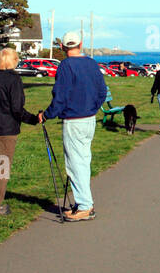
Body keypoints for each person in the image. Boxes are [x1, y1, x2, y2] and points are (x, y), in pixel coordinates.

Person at [38, 31, 108, 222]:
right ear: (80, 44)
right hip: (89, 119)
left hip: (74, 120)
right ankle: (85, 202)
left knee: (76, 163)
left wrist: (47, 115)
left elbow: (60, 96)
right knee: (83, 161)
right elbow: (102, 91)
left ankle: (85, 206)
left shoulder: (65, 66)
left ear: (62, 47)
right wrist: (92, 107)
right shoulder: (91, 63)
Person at [0, 46, 39, 218]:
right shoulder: (14, 80)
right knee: (2, 169)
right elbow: (16, 108)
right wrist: (33, 119)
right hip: (6, 130)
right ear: (13, 61)